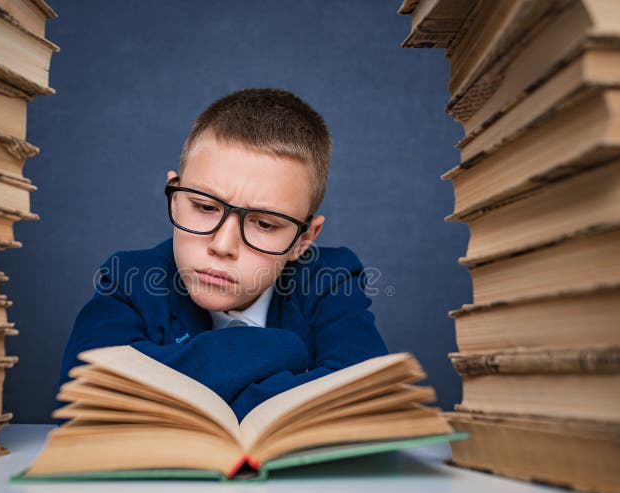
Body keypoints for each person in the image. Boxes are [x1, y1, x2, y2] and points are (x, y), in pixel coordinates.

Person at [57, 88, 389, 422]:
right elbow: (82, 398)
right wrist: (272, 349)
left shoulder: (330, 279)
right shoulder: (130, 280)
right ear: (174, 198)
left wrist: (168, 385)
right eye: (203, 206)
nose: (223, 245)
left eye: (263, 223)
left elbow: (368, 401)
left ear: (303, 241)